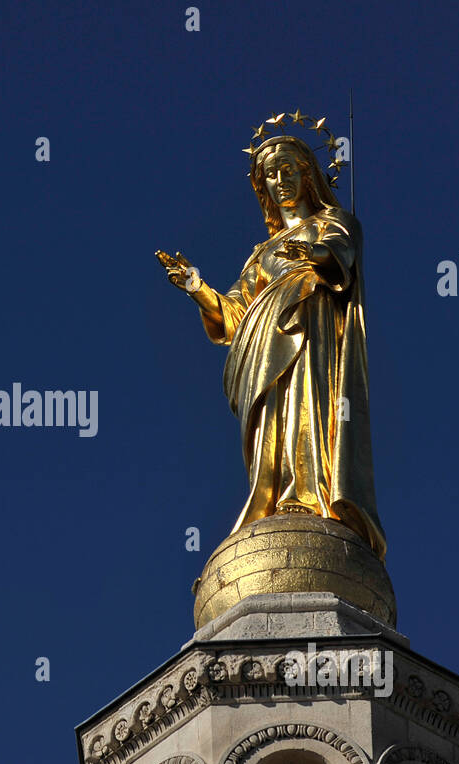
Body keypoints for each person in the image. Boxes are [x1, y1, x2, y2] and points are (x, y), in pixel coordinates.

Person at [156, 134, 386, 561]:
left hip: (312, 329)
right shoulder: (262, 253)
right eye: (269, 174)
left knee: (309, 407)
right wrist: (197, 288)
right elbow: (235, 314)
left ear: (308, 174)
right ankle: (273, 492)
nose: (279, 180)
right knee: (272, 422)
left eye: (288, 169)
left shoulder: (334, 221)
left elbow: (342, 255)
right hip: (262, 342)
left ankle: (308, 490)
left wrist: (312, 252)